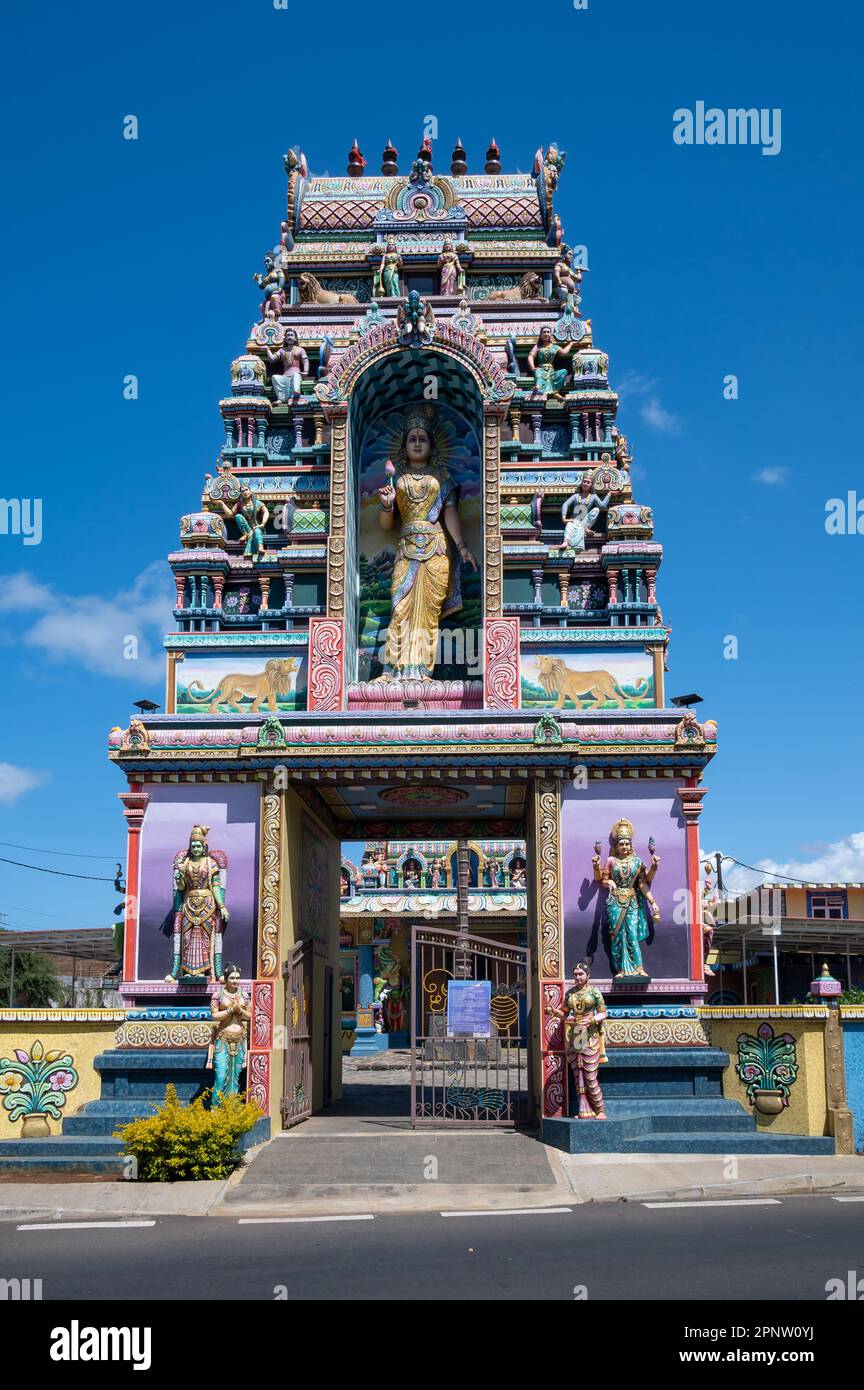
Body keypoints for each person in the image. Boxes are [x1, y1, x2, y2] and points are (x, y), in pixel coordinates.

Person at [375, 406, 477, 680]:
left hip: (436, 549)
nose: (417, 443)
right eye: (412, 438)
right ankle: (393, 671)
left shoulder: (442, 477)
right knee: (400, 608)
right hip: (406, 548)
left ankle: (421, 671)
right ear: (404, 444)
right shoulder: (395, 478)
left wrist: (463, 547)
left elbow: (450, 512)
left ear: (432, 445)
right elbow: (387, 523)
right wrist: (386, 506)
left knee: (429, 614)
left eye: (423, 438)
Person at [592, 819, 660, 978]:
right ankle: (620, 969)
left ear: (631, 845)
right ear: (616, 845)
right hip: (615, 902)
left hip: (632, 902)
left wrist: (653, 901)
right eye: (621, 844)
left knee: (632, 935)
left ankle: (639, 968)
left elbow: (644, 884)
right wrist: (602, 874)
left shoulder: (637, 862)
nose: (624, 847)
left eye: (626, 844)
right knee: (617, 936)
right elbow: (601, 880)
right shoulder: (610, 861)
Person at [549, 962, 607, 1119]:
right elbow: (565, 1014)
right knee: (578, 1073)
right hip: (576, 1033)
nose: (577, 977)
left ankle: (600, 1109)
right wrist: (556, 1012)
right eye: (575, 974)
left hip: (590, 1034)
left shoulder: (594, 993)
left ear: (588, 975)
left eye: (580, 974)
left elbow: (603, 1013)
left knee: (590, 1074)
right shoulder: (570, 994)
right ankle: (584, 1109)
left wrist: (592, 1020)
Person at [209, 964, 251, 1100]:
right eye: (232, 978)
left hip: (239, 1039)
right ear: (225, 979)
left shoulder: (244, 995)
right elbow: (214, 1016)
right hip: (223, 1039)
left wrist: (240, 1010)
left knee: (235, 1075)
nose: (235, 981)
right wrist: (230, 1010)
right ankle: (216, 1110)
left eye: (238, 978)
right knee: (221, 1076)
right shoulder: (218, 995)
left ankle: (231, 1109)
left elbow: (251, 1016)